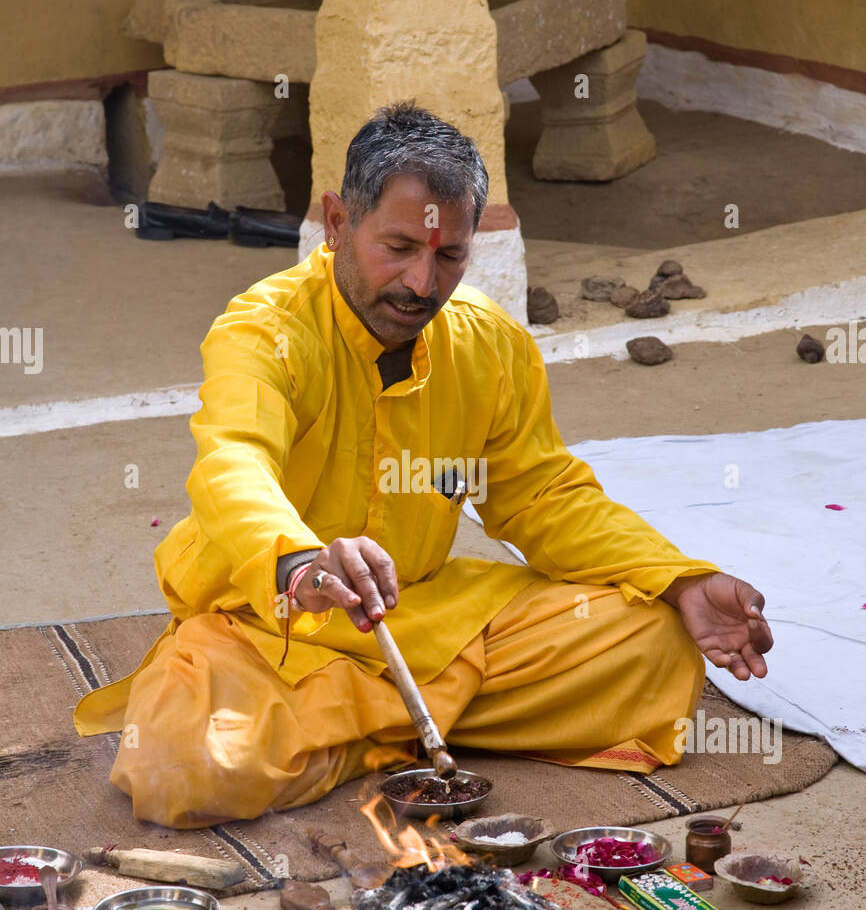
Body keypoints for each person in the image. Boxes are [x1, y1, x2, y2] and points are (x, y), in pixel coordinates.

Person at [74, 102, 773, 828]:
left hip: (423, 614)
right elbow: (234, 462)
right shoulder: (265, 330)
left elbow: (540, 498)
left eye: (449, 256)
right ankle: (409, 719)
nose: (421, 283)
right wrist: (301, 563)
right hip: (271, 624)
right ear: (339, 222)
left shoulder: (490, 343)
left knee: (657, 644)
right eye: (399, 246)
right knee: (178, 767)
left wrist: (680, 575)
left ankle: (350, 730)